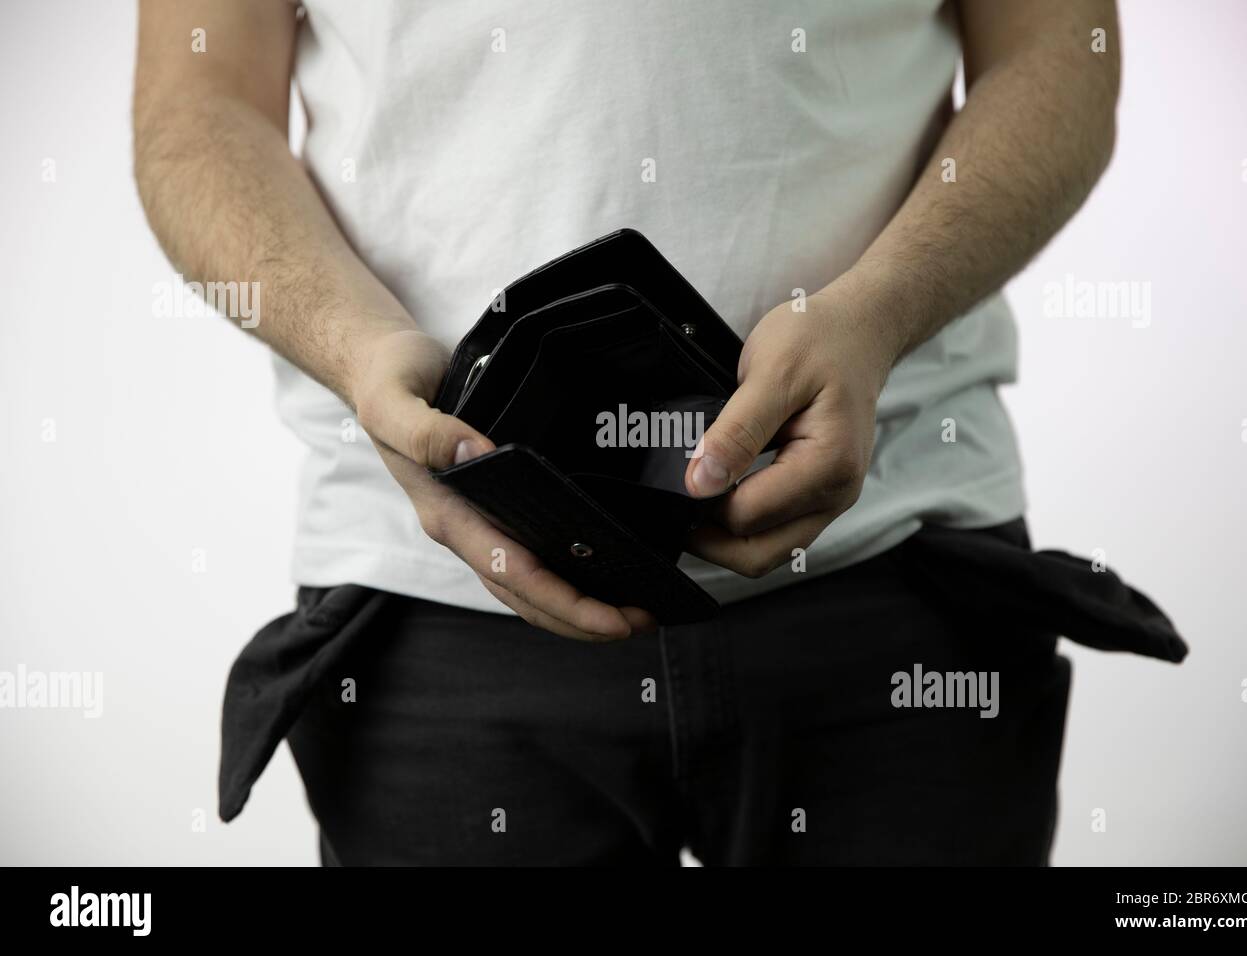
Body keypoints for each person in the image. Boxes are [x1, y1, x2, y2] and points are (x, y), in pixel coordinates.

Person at [135, 0, 1175, 866]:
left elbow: (1055, 53)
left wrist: (879, 314)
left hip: (899, 568)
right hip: (431, 605)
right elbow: (200, 102)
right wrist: (359, 351)